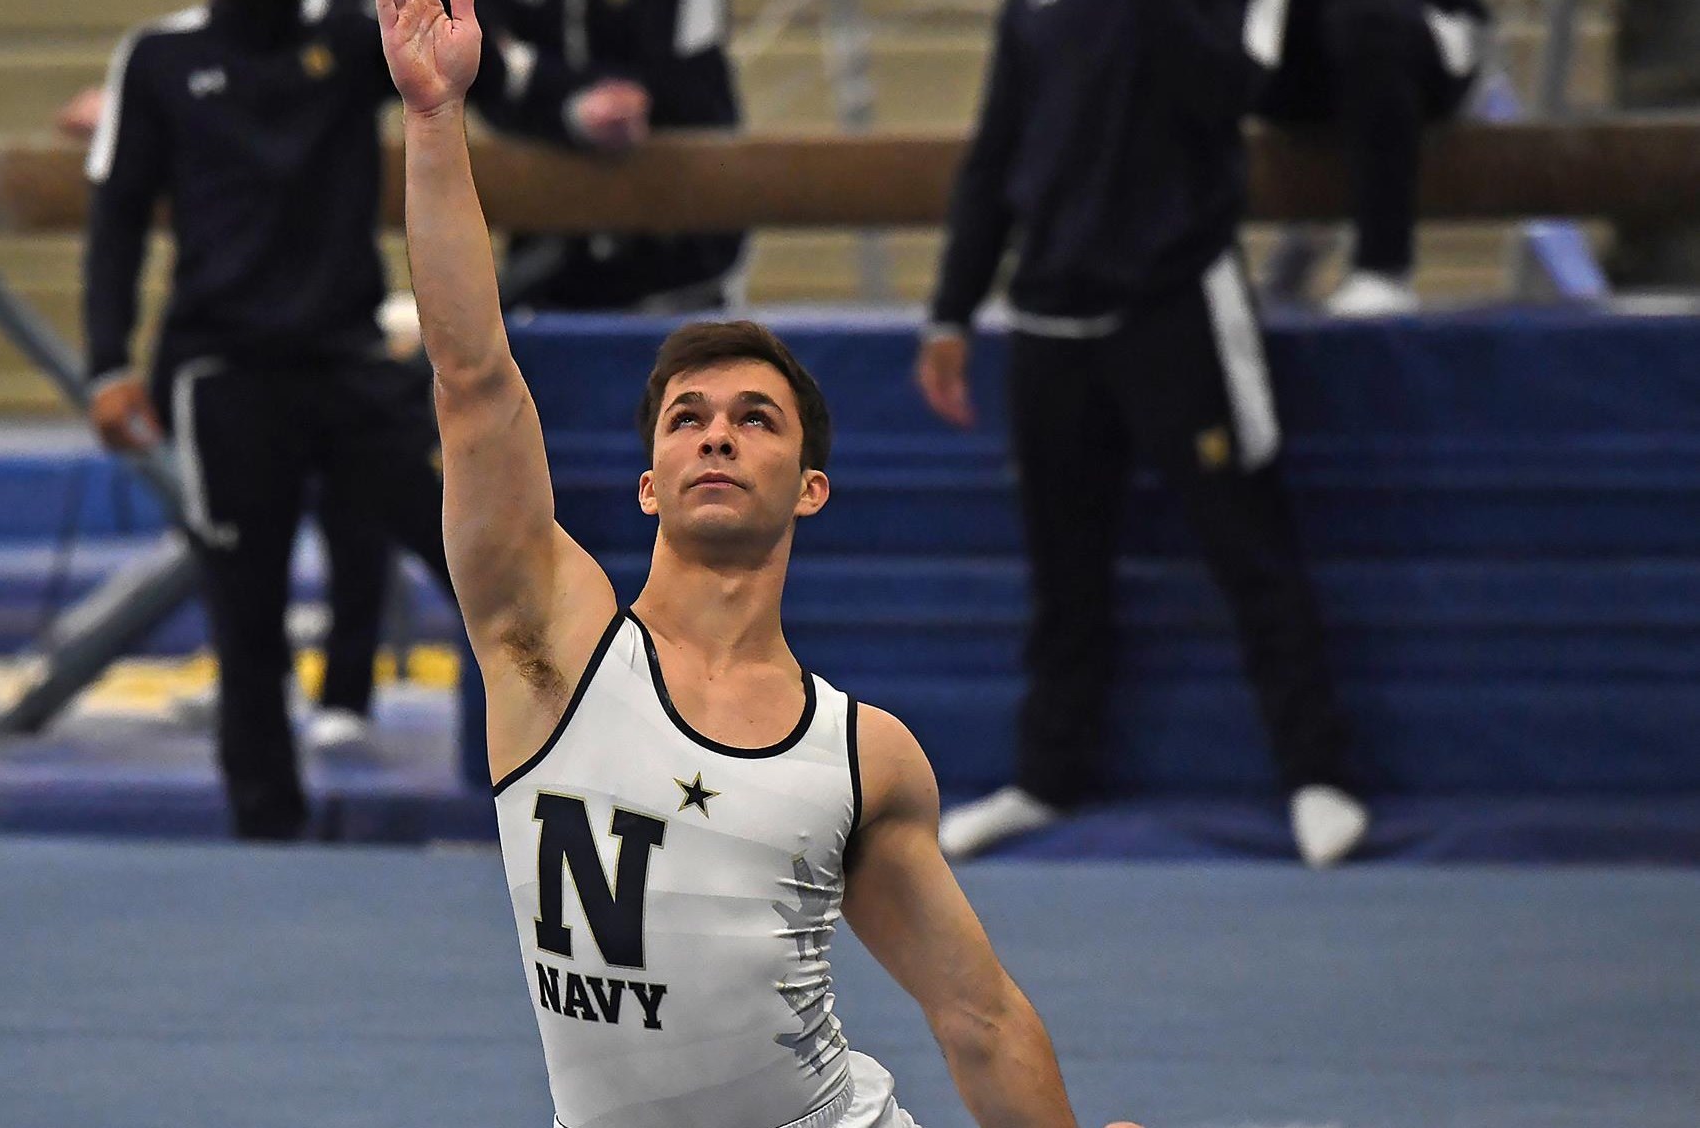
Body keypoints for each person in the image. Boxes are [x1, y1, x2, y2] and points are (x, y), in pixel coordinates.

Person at [378, 2, 1141, 1126]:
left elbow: (975, 1016)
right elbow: (472, 375)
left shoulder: (861, 755)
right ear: (647, 484)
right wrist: (436, 119)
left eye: (755, 420)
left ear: (808, 488)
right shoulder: (552, 655)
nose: (717, 434)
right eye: (685, 418)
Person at [915, 0, 1370, 867]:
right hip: (1049, 312)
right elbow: (998, 148)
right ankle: (1048, 775)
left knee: (1248, 548)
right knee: (1063, 568)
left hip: (1174, 301)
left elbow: (1236, 88)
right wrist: (951, 309)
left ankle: (1318, 772)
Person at [84, 0, 526, 838]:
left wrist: (463, 48)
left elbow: (493, 86)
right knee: (245, 614)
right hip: (224, 370)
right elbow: (117, 212)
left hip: (347, 359)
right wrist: (107, 361)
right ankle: (266, 824)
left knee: (477, 565)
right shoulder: (156, 59)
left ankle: (552, 781)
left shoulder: (352, 38)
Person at [480, 0, 747, 311]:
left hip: (680, 260)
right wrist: (571, 107)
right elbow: (489, 74)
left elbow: (678, 89)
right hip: (552, 258)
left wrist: (530, 73)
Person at [1255, 0, 1492, 315]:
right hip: (1290, 46)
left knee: (1365, 19)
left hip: (1415, 40)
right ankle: (1199, 270)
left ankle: (1383, 264)